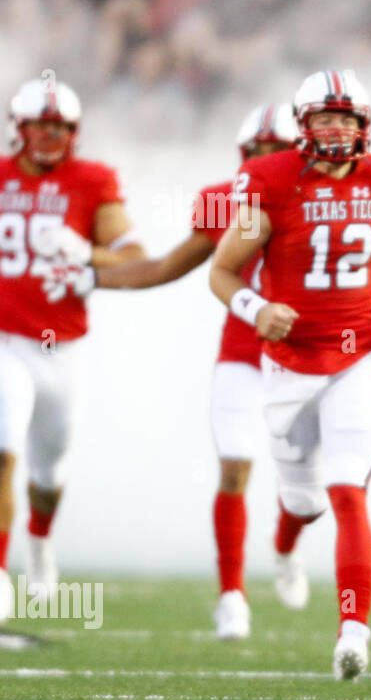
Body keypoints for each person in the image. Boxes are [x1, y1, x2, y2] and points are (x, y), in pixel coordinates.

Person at [209, 69, 371, 680]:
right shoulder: (271, 180)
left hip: (355, 357)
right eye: (324, 118)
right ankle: (283, 545)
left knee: (348, 488)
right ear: (301, 128)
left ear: (364, 125)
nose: (336, 129)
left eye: (346, 118)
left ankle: (353, 631)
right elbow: (222, 273)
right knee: (301, 500)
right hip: (287, 364)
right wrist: (257, 308)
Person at [53, 103, 296, 638]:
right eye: (256, 153)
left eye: (276, 151)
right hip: (243, 354)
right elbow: (165, 266)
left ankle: (287, 545)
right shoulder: (227, 204)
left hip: (315, 356)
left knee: (314, 484)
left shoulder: (334, 201)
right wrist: (95, 277)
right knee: (235, 468)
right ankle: (232, 594)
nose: (265, 161)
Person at [0, 76, 143, 621]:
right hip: (5, 340)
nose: (48, 135)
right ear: (20, 128)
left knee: (47, 470)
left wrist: (87, 254)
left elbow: (133, 255)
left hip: (60, 347)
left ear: (73, 132)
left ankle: (38, 538)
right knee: (4, 450)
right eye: (39, 125)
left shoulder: (92, 180)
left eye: (58, 127)